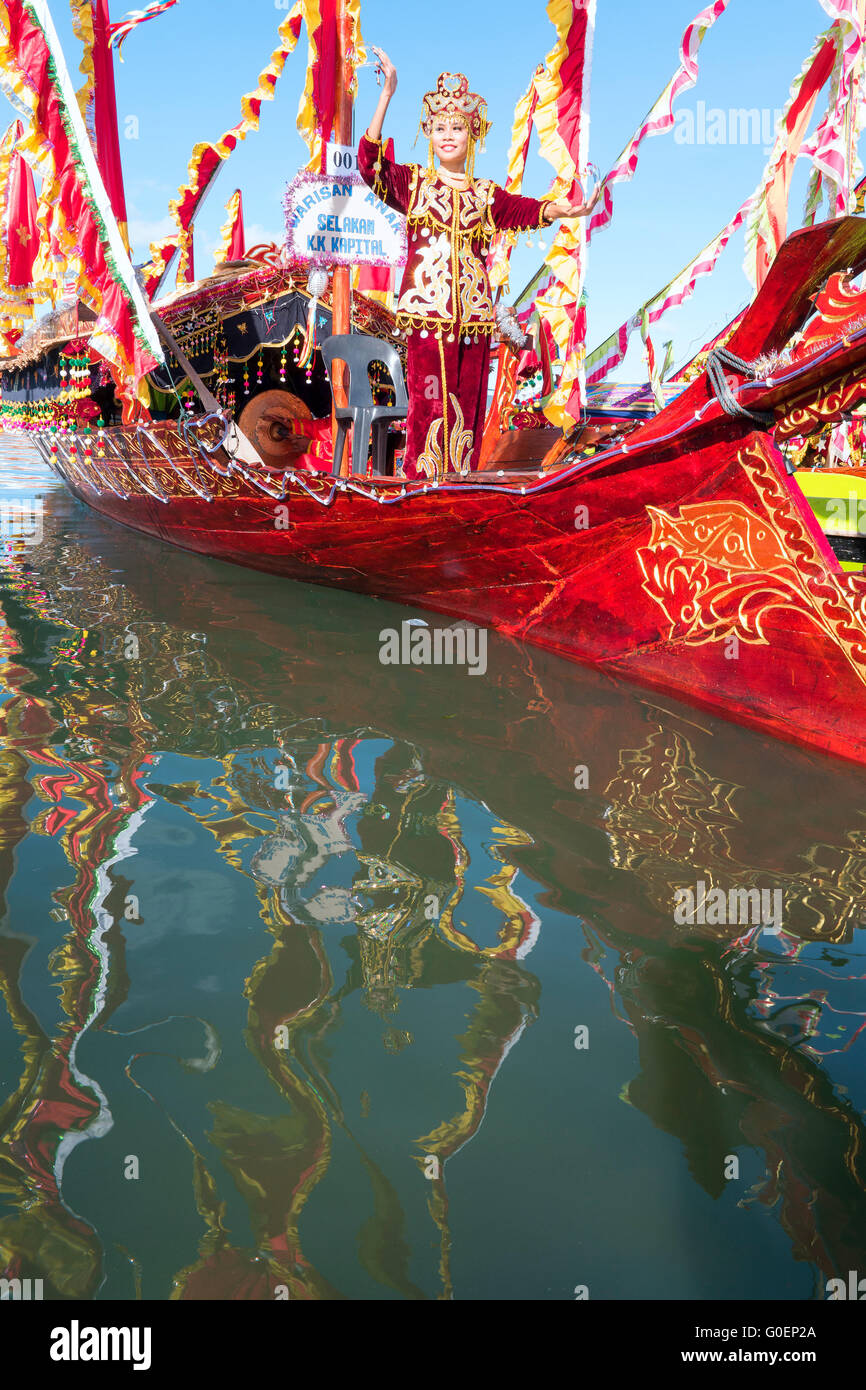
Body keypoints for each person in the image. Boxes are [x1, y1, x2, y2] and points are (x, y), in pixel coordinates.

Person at [357, 49, 599, 480]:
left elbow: (528, 210)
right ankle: (420, 484)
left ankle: (458, 484)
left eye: (458, 128)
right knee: (427, 407)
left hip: (474, 319)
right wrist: (387, 94)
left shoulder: (486, 195)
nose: (448, 135)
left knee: (468, 409)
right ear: (428, 132)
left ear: (473, 135)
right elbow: (370, 167)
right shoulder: (414, 184)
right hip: (428, 316)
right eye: (439, 127)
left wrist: (568, 210)